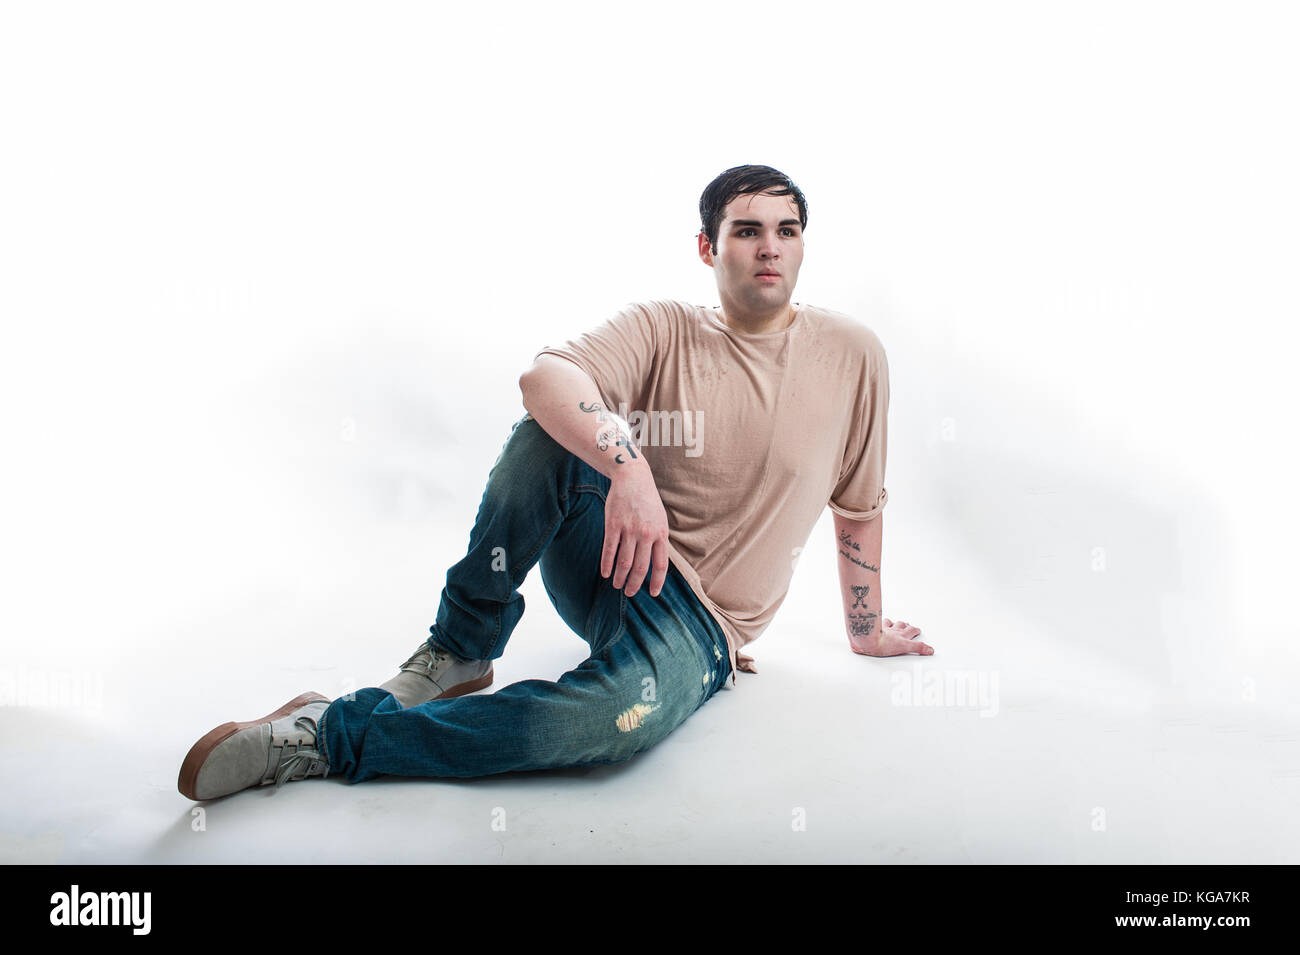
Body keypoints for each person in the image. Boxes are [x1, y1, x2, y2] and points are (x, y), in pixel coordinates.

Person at [177, 164, 933, 801]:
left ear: (803, 246)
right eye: (747, 229)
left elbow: (858, 503)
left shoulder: (853, 355)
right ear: (708, 247)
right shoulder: (667, 325)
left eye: (786, 230)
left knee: (604, 724)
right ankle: (460, 647)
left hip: (700, 628)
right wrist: (628, 466)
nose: (769, 247)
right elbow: (546, 376)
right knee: (553, 429)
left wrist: (864, 629)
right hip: (616, 556)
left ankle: (332, 733)